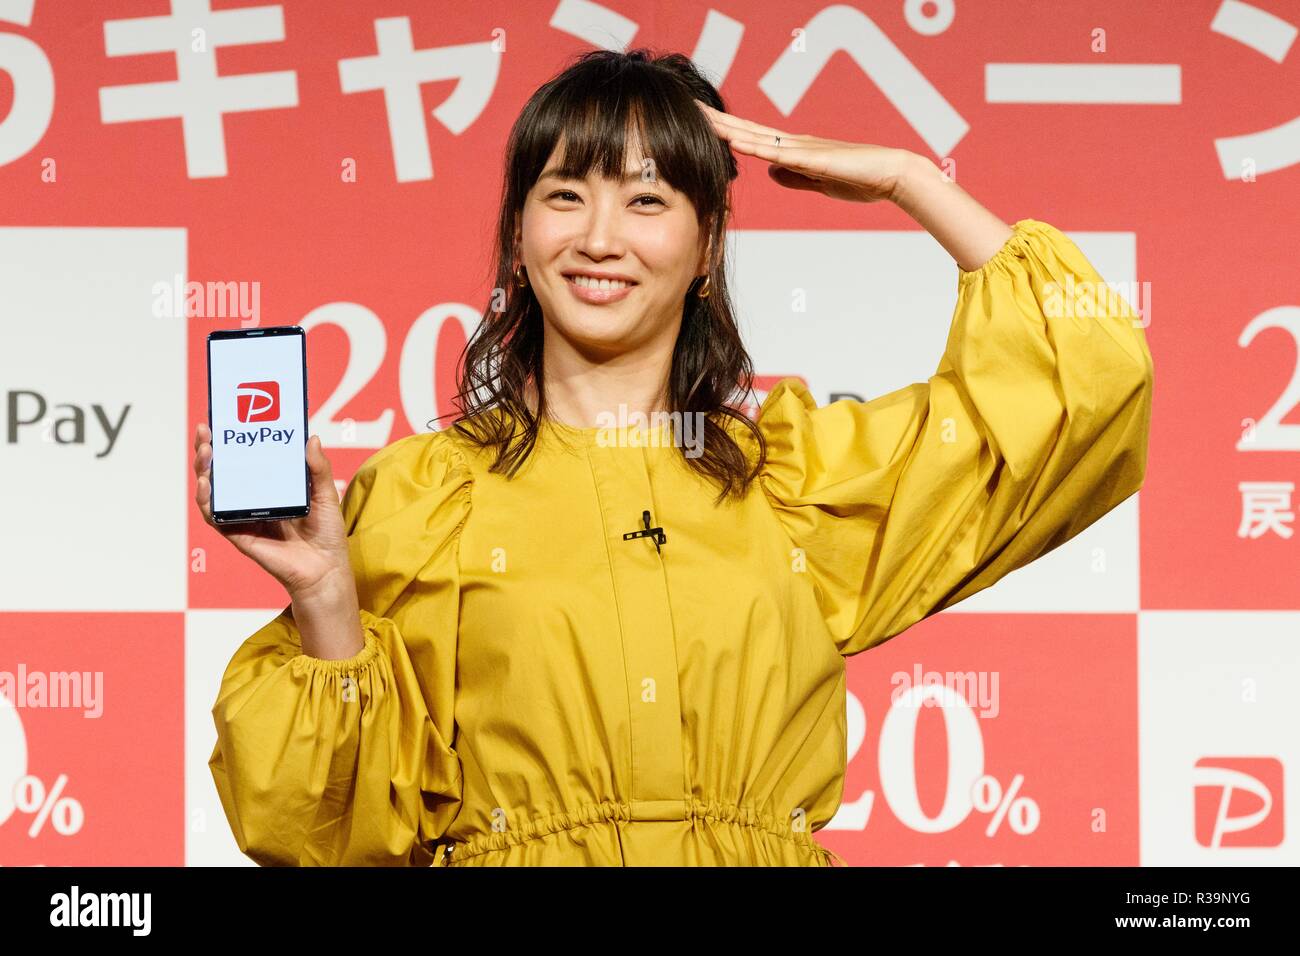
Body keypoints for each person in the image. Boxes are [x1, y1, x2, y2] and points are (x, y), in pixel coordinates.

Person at [193, 48, 1153, 867]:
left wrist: (913, 180)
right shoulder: (424, 497)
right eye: (564, 195)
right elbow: (318, 827)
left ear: (706, 249)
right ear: (519, 236)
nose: (599, 238)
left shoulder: (793, 480)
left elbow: (1084, 390)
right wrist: (324, 594)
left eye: (647, 200)